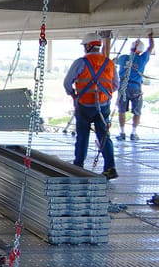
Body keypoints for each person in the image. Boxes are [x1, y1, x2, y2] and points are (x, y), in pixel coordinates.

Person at [63, 32, 119, 180]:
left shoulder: (80, 62)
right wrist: (103, 93)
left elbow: (67, 83)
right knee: (104, 136)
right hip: (103, 106)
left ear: (88, 46)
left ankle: (78, 166)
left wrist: (73, 95)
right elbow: (116, 85)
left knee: (82, 136)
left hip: (84, 105)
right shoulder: (109, 63)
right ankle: (110, 168)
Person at [116, 31, 154, 141]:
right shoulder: (142, 59)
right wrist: (150, 37)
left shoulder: (123, 58)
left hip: (123, 87)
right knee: (137, 111)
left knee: (121, 110)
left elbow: (114, 61)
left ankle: (122, 132)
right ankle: (133, 133)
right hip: (136, 88)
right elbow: (150, 48)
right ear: (140, 50)